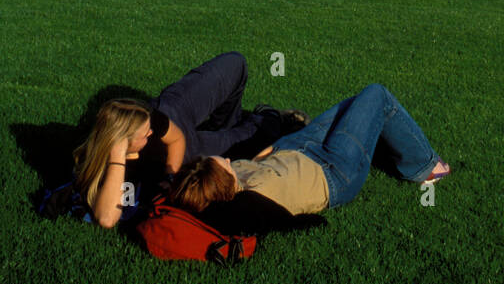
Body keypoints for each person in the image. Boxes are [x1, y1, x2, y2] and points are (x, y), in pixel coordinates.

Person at [71, 52, 306, 229]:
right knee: (255, 134)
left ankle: (224, 125)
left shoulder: (148, 119)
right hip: (193, 152)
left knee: (236, 63)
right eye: (145, 135)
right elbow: (106, 218)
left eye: (149, 128)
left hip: (174, 116)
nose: (150, 132)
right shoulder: (123, 173)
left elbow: (176, 139)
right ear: (122, 144)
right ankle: (272, 116)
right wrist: (117, 156)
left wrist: (171, 175)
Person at [170, 84, 449, 226]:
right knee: (377, 96)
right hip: (334, 168)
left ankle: (383, 143)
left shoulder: (226, 183)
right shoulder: (252, 201)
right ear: (223, 184)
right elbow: (265, 221)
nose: (230, 160)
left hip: (297, 146)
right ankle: (425, 166)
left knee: (357, 105)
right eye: (227, 165)